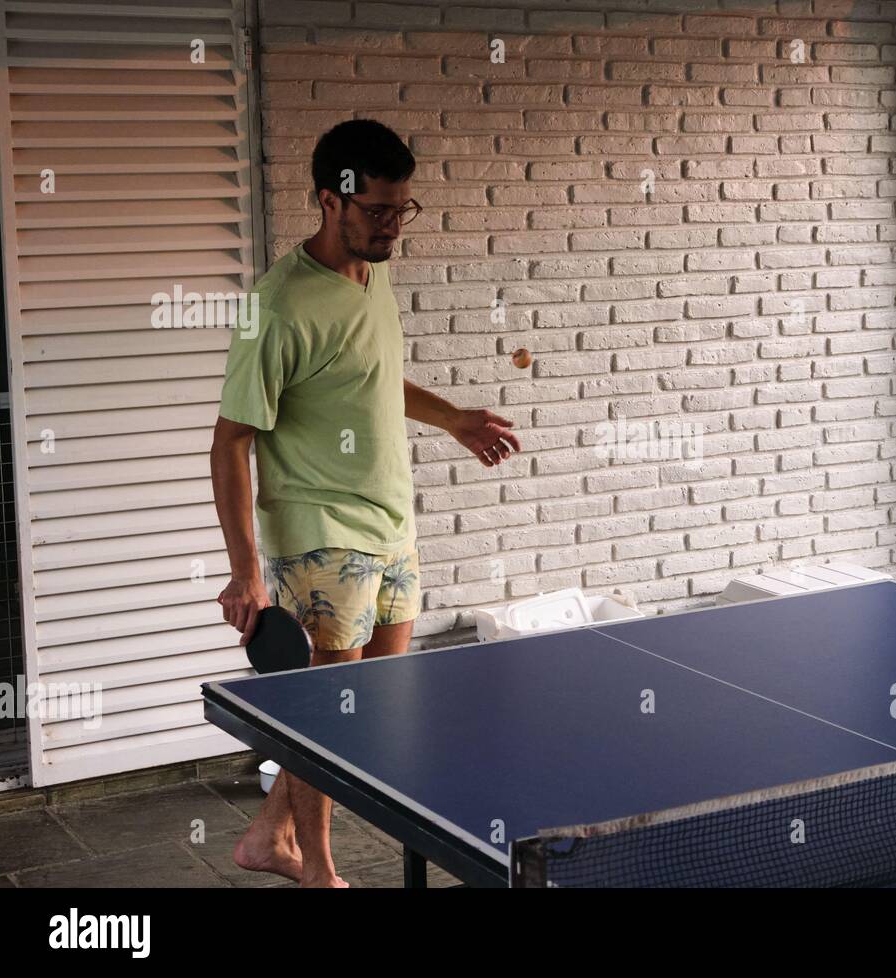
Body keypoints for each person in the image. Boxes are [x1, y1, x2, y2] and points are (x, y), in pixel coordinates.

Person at [209, 119, 521, 887]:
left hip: (391, 525)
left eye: (400, 209)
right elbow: (230, 442)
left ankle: (265, 838)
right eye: (379, 210)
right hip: (320, 536)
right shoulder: (277, 308)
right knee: (331, 713)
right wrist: (246, 571)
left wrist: (454, 419)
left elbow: (370, 378)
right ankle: (319, 869)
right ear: (330, 198)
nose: (393, 226)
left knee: (369, 713)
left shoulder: (373, 274)